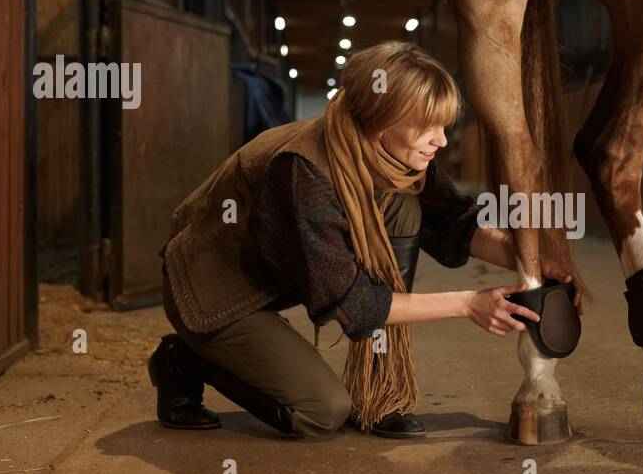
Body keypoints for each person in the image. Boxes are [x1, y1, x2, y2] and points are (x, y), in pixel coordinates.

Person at [147, 40, 580, 439]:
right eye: (428, 125)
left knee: (406, 205)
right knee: (321, 412)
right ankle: (185, 358)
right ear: (381, 119)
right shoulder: (304, 171)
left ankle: (382, 396)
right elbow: (354, 305)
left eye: (444, 125)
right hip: (213, 293)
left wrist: (530, 262)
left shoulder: (393, 155)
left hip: (274, 273)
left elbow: (455, 223)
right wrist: (470, 303)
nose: (442, 140)